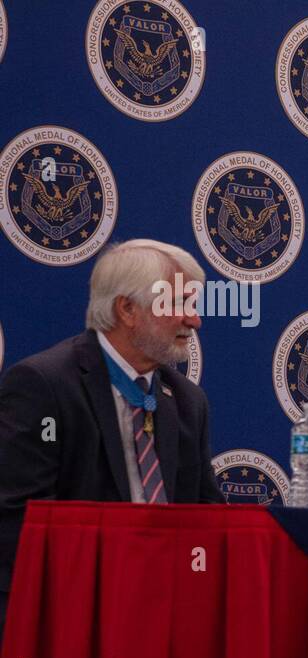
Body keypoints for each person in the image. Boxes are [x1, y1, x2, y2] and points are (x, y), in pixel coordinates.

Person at [0, 239, 225, 634]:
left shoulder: (188, 401)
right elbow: (17, 526)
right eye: (178, 305)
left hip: (167, 619)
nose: (194, 321)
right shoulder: (44, 385)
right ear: (127, 309)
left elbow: (209, 517)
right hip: (70, 620)